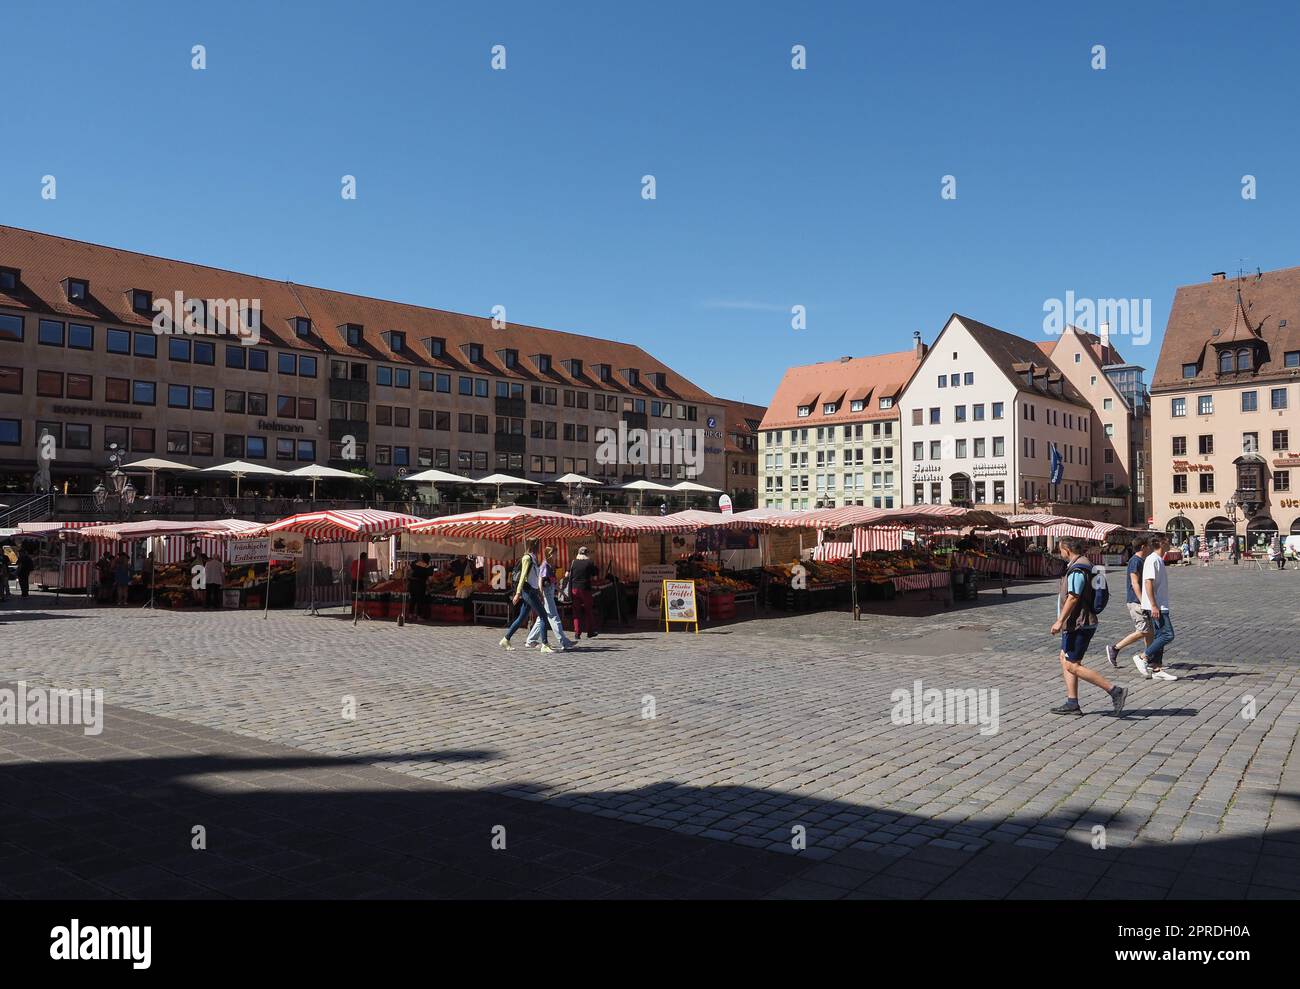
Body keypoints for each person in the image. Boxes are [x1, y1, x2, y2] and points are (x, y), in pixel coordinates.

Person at [1050, 537, 1127, 716]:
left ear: (1067, 550)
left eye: (1060, 550)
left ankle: (1115, 690)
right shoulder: (1085, 564)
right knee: (1065, 658)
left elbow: (1073, 596)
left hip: (1079, 622)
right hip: (1079, 622)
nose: (1059, 553)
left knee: (1072, 665)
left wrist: (1060, 621)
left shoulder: (1077, 569)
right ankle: (1072, 702)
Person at [1134, 534, 1178, 681]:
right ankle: (1143, 657)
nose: (1169, 542)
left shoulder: (1158, 559)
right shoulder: (1153, 559)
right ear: (1160, 543)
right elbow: (1148, 583)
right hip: (1157, 605)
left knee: (1160, 635)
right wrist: (1153, 605)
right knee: (1168, 634)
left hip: (1159, 604)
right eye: (1167, 540)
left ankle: (1157, 668)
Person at [1105, 539, 1154, 668]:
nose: (1150, 548)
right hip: (1136, 601)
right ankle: (1115, 648)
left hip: (1142, 601)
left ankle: (1148, 657)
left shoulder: (1142, 560)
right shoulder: (1135, 561)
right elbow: (1134, 582)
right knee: (1143, 631)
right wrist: (1143, 600)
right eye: (1149, 546)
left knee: (1150, 632)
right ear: (1143, 546)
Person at [525, 545, 576, 651]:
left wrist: (562, 592)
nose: (557, 555)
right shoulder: (545, 565)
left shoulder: (550, 565)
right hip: (546, 594)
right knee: (554, 617)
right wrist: (541, 594)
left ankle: (530, 640)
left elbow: (553, 582)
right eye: (555, 553)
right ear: (550, 554)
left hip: (549, 593)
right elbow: (540, 580)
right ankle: (564, 642)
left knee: (542, 618)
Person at [500, 540, 547, 652]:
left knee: (521, 618)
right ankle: (545, 644)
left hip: (533, 590)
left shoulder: (534, 558)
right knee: (543, 616)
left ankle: (506, 639)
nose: (540, 547)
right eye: (538, 545)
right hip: (528, 591)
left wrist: (539, 592)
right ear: (534, 545)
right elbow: (523, 576)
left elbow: (535, 577)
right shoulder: (527, 558)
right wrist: (517, 593)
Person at [567, 546, 600, 640]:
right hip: (585, 589)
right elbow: (595, 574)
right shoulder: (589, 562)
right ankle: (590, 632)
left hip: (574, 589)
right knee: (588, 610)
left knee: (576, 612)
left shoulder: (573, 562)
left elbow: (567, 574)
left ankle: (577, 633)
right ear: (586, 553)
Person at [407, 553, 432, 620]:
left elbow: (408, 569)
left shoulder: (414, 564)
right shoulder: (428, 567)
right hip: (421, 584)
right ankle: (419, 616)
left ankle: (410, 614)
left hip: (412, 584)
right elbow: (430, 579)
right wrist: (429, 586)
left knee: (413, 599)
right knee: (420, 600)